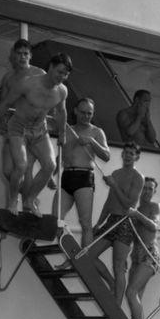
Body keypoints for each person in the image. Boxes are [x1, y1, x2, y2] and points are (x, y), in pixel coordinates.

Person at [0, 53, 69, 215]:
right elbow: (5, 104)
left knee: (50, 165)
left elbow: (61, 112)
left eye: (65, 74)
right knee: (21, 166)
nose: (61, 77)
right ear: (51, 67)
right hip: (18, 128)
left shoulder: (62, 91)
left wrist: (62, 134)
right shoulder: (28, 84)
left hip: (40, 130)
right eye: (60, 72)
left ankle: (30, 200)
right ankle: (13, 201)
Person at [89, 143, 145, 306]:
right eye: (126, 152)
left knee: (118, 265)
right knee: (90, 255)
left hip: (125, 222)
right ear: (122, 155)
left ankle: (117, 304)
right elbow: (109, 202)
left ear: (137, 157)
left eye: (132, 153)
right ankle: (111, 282)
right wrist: (99, 223)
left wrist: (113, 185)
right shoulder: (115, 173)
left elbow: (129, 204)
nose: (128, 156)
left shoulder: (138, 177)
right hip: (111, 219)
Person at [0, 39, 47, 208]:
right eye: (19, 53)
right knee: (8, 171)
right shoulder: (8, 78)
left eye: (26, 53)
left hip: (33, 129)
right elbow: (3, 102)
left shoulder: (40, 74)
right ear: (13, 56)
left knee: (25, 167)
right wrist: (2, 120)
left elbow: (48, 99)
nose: (22, 57)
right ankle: (28, 199)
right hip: (14, 126)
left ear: (30, 56)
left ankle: (26, 203)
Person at [53, 98, 110, 249]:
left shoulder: (96, 131)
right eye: (83, 112)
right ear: (76, 111)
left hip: (83, 176)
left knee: (85, 222)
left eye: (89, 113)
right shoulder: (68, 130)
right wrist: (51, 175)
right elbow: (61, 156)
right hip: (66, 176)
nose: (86, 116)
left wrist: (91, 141)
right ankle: (71, 252)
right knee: (55, 220)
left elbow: (106, 155)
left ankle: (86, 257)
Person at [124, 177, 160, 319]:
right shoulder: (136, 210)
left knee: (131, 292)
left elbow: (153, 226)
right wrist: (125, 255)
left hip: (149, 252)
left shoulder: (154, 206)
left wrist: (137, 215)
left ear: (154, 192)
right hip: (136, 254)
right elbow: (132, 236)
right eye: (144, 188)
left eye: (150, 189)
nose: (147, 192)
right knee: (136, 297)